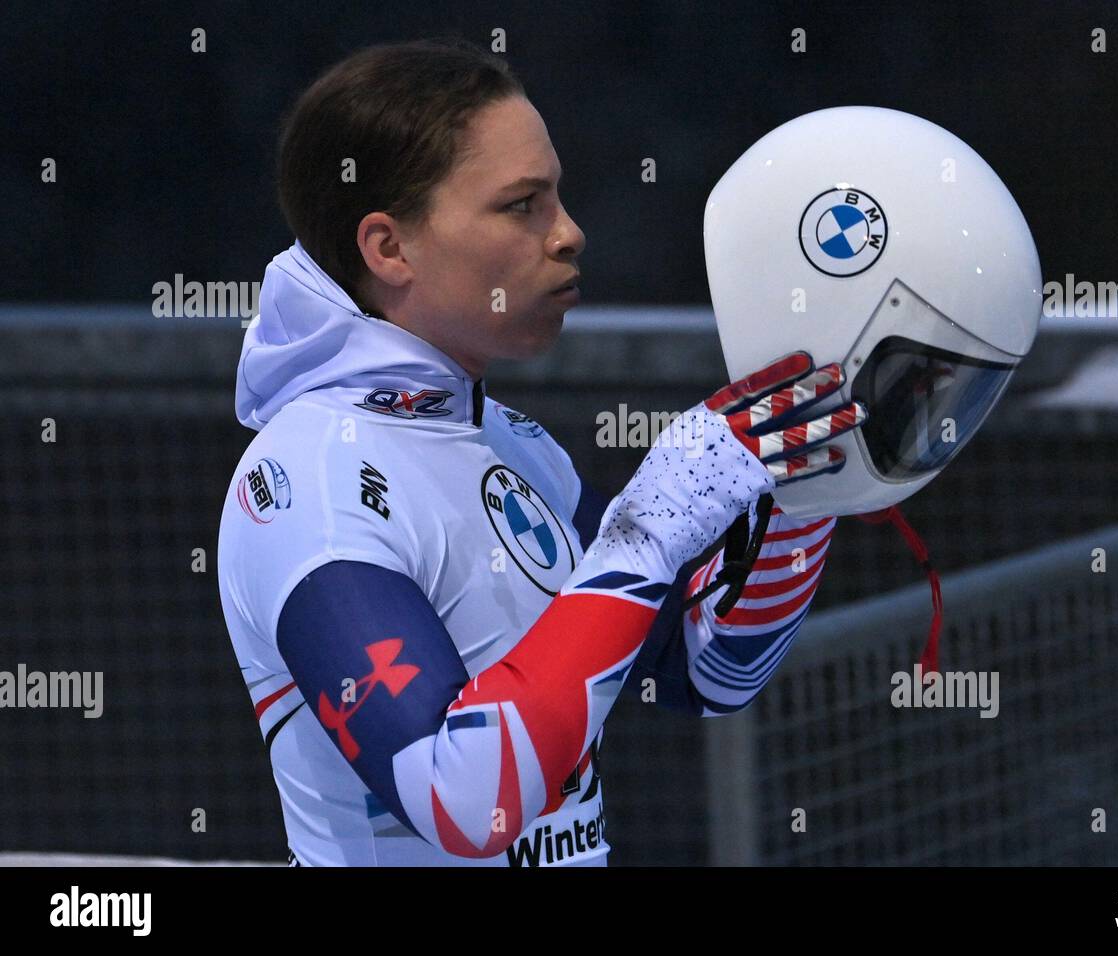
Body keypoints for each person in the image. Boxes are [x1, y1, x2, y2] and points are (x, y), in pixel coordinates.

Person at [216, 38, 856, 867]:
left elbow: (706, 672)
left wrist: (810, 484)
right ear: (389, 249)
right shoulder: (309, 484)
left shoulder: (510, 443)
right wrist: (650, 528)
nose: (569, 233)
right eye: (522, 205)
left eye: (557, 196)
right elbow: (463, 803)